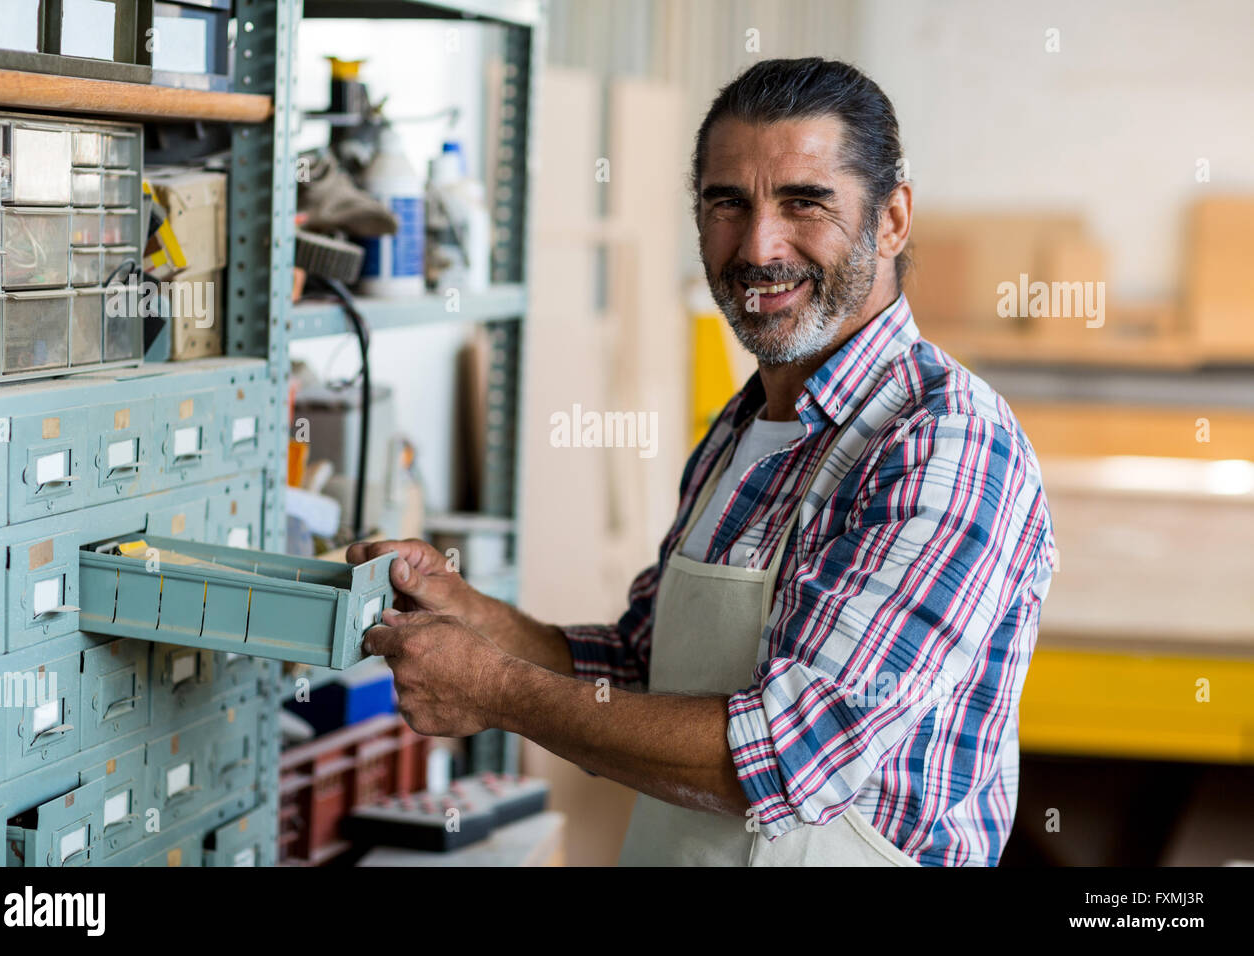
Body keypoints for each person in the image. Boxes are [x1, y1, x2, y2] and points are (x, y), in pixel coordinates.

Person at [350, 57, 1055, 866]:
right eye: (728, 204)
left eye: (804, 203)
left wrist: (499, 692)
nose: (759, 246)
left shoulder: (944, 442)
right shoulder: (740, 427)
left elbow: (790, 756)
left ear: (892, 219)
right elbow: (640, 672)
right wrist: (471, 613)